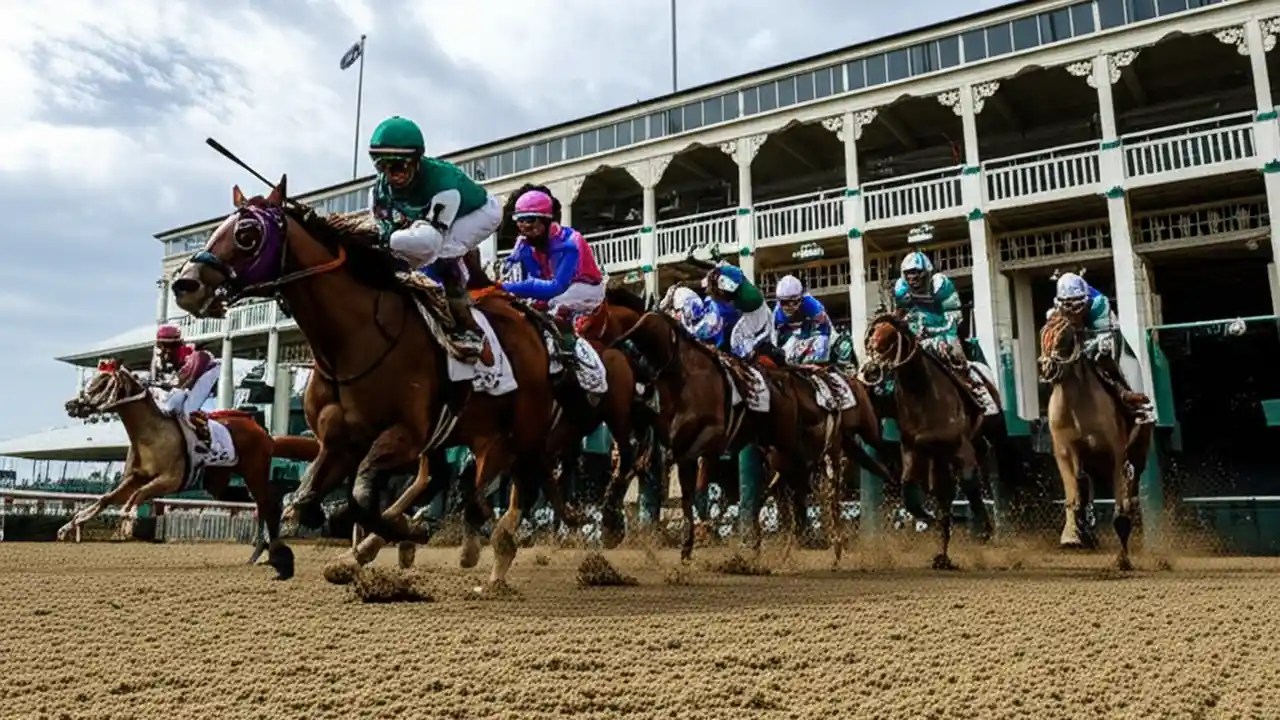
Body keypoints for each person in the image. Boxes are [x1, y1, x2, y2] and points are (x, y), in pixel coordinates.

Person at [367, 115, 503, 358]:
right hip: (429, 219)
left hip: (480, 213)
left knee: (437, 251)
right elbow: (381, 230)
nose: (389, 174)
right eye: (381, 166)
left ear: (415, 161)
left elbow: (429, 243)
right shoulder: (379, 189)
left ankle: (464, 325)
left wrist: (387, 241)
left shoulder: (444, 183)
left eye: (397, 166)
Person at [499, 189, 605, 357]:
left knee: (556, 304)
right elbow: (528, 277)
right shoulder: (524, 244)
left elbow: (556, 287)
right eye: (519, 220)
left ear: (546, 220)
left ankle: (572, 355)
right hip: (551, 290)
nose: (524, 226)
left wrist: (506, 287)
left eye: (530, 220)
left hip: (584, 287)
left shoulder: (570, 243)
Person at [893, 250, 999, 416]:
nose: (912, 278)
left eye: (916, 272)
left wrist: (939, 336)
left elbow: (953, 315)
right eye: (909, 273)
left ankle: (979, 393)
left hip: (942, 330)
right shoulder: (900, 289)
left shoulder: (941, 284)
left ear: (926, 273)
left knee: (956, 356)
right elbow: (901, 314)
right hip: (914, 335)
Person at [1047, 272, 1156, 424]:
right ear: (1059, 303)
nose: (1073, 312)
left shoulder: (1099, 304)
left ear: (1086, 301)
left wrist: (1087, 348)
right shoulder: (1057, 310)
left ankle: (1138, 402)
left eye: (1078, 306)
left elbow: (1102, 340)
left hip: (1102, 331)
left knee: (1111, 353)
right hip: (1077, 331)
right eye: (1067, 306)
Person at [704, 263, 775, 360]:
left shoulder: (739, 301)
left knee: (736, 341)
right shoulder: (733, 274)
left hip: (754, 317)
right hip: (757, 313)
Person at [149, 324, 221, 420]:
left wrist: (173, 387)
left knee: (183, 411)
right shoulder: (158, 356)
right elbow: (154, 381)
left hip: (207, 373)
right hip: (189, 377)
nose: (166, 351)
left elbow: (190, 381)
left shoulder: (194, 356)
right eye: (161, 346)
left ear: (179, 344)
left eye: (171, 346)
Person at [772, 274, 833, 364]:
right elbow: (773, 339)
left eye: (795, 302)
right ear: (778, 301)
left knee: (820, 345)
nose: (790, 307)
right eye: (784, 302)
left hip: (813, 334)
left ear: (801, 298)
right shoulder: (777, 314)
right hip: (794, 338)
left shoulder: (812, 306)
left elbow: (826, 329)